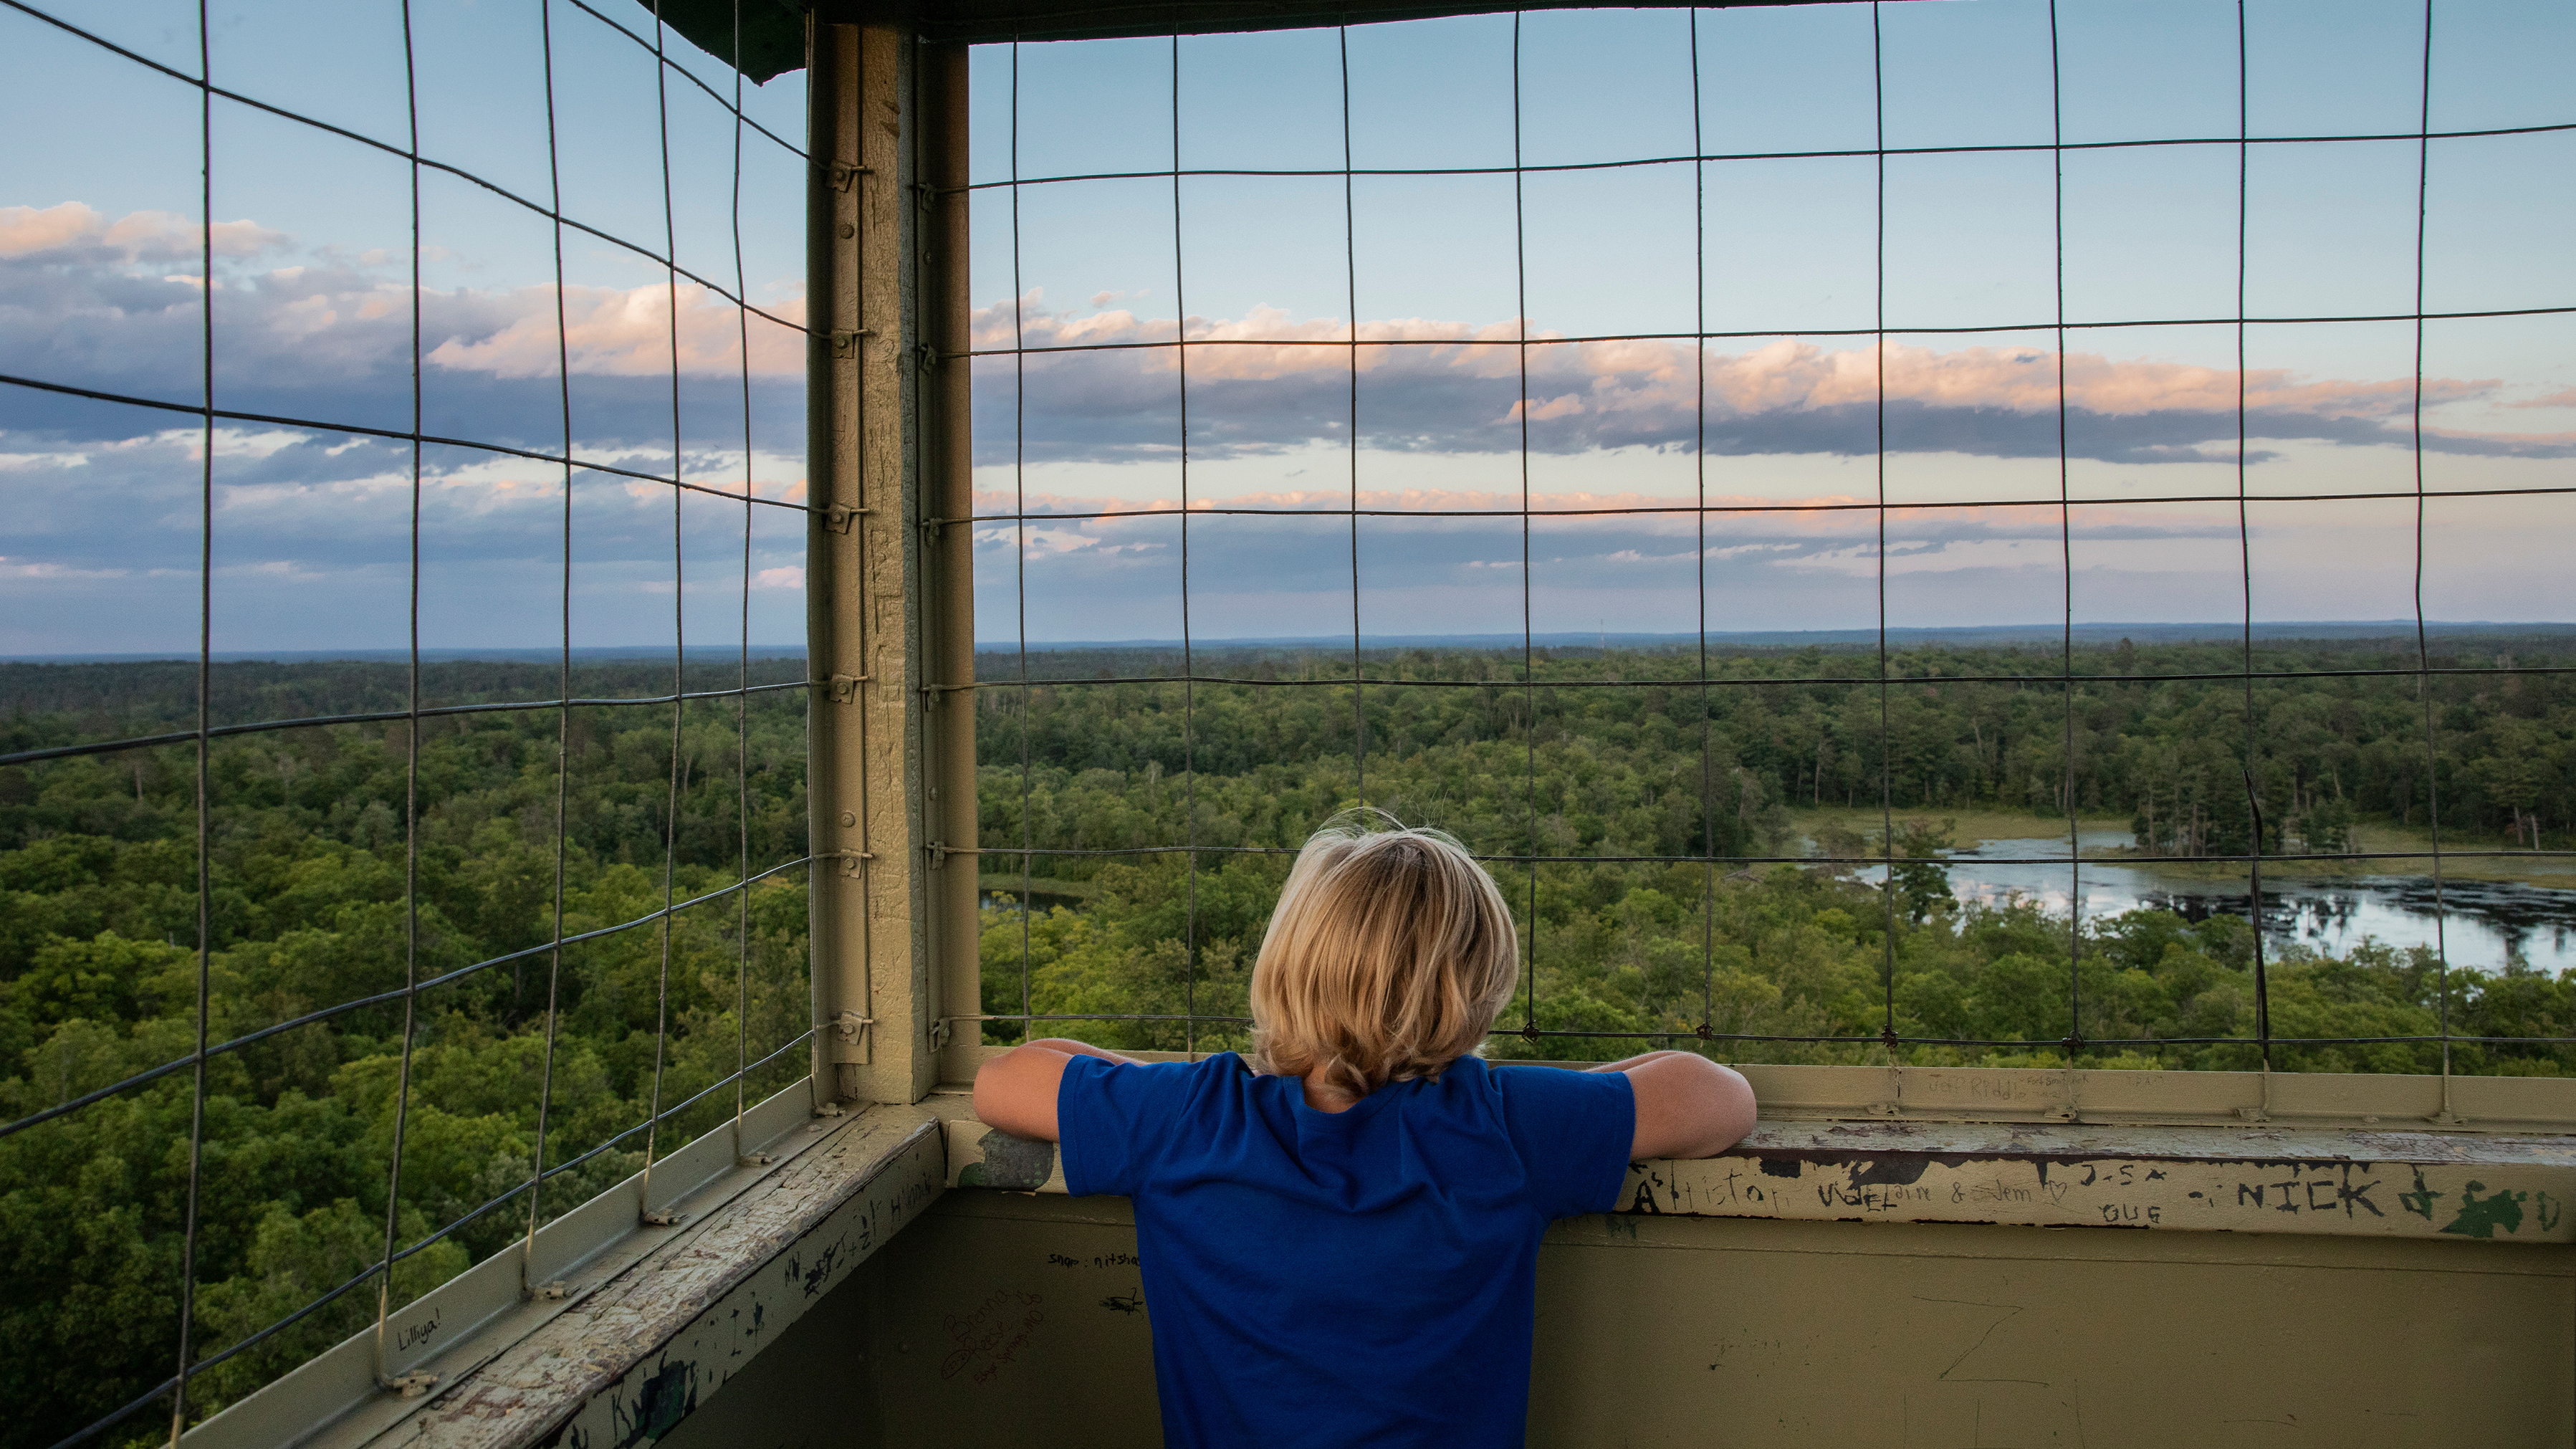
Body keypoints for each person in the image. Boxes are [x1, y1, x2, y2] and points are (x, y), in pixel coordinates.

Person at [973, 814, 1758, 1448]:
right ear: (1476, 994)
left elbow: (1004, 1079)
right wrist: (1554, 1103)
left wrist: (1167, 1087)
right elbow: (1716, 1097)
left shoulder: (1186, 1117)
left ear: (1286, 970)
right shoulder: (1505, 1126)